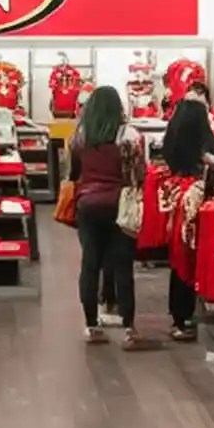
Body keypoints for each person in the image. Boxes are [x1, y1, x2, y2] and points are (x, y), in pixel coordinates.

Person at [69, 86, 145, 348]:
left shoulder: (81, 135)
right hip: (120, 205)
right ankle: (128, 328)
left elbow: (73, 173)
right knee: (123, 266)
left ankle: (91, 325)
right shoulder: (129, 135)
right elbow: (139, 173)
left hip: (88, 205)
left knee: (90, 264)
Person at [161, 81, 214, 341]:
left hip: (177, 193)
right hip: (193, 195)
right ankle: (184, 316)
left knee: (178, 256)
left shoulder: (174, 128)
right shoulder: (200, 125)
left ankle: (179, 315)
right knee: (190, 255)